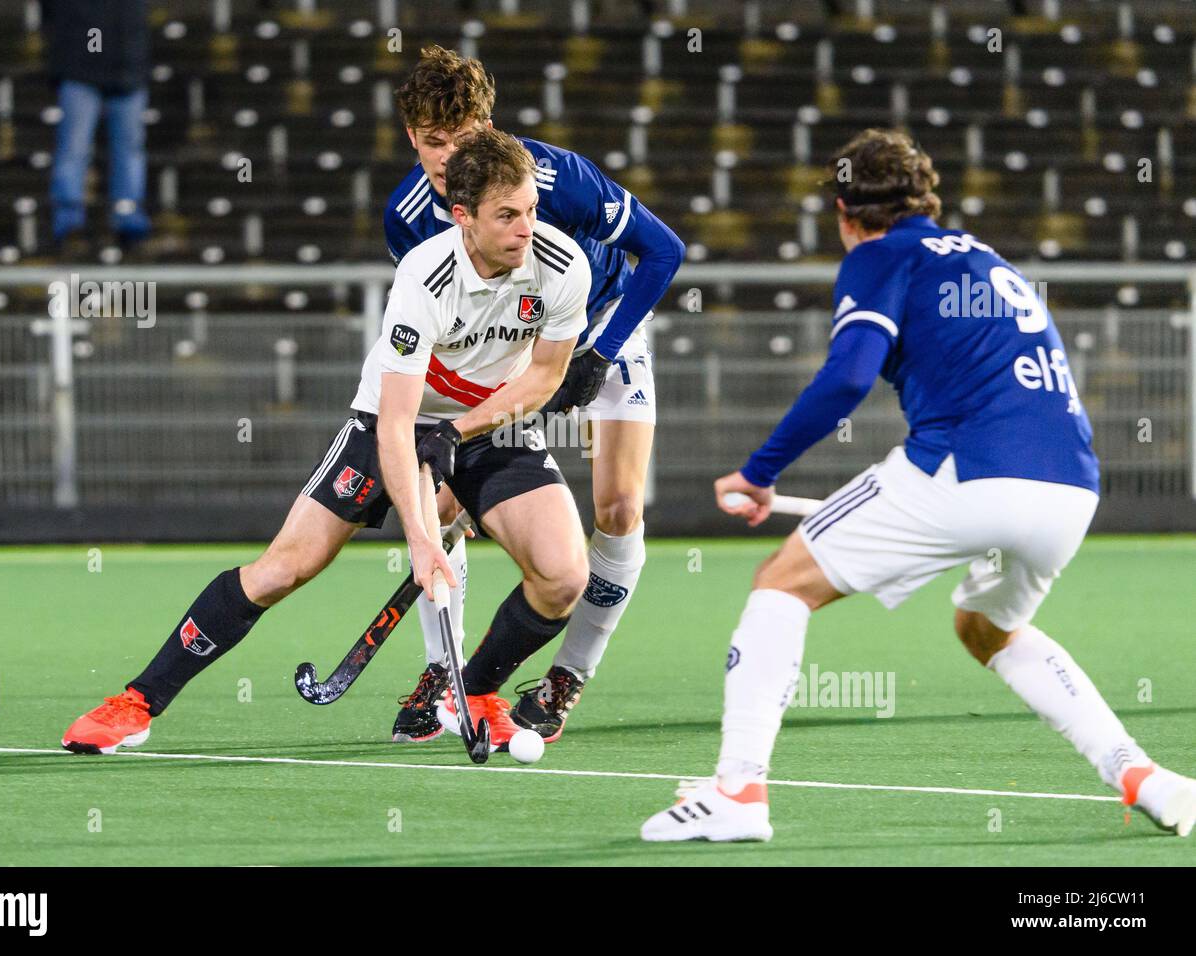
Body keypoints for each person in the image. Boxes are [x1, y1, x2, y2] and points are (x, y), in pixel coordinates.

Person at [641, 129, 1196, 841]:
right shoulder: (986, 258)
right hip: (1072, 486)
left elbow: (846, 376)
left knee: (782, 582)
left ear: (844, 212)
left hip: (965, 466)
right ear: (927, 199)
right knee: (987, 627)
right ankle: (1138, 772)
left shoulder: (880, 255)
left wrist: (759, 471)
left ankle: (738, 791)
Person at [62, 128, 592, 754]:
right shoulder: (426, 276)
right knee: (284, 569)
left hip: (493, 422)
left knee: (562, 575)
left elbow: (544, 377)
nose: (527, 227)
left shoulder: (561, 265)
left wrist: (461, 433)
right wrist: (422, 541)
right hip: (393, 420)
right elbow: (398, 423)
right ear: (463, 217)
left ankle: (470, 692)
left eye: (531, 209)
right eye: (507, 215)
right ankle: (138, 702)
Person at [385, 46, 685, 745]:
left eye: (463, 138)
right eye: (432, 142)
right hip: (509, 344)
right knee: (441, 498)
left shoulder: (556, 177)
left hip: (608, 324)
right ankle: (446, 673)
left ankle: (567, 674)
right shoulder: (406, 216)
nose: (447, 156)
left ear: (488, 124)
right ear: (411, 137)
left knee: (617, 504)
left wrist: (599, 354)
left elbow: (663, 251)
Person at [41, 0, 152, 253]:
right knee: (75, 148)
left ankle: (128, 217)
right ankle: (69, 222)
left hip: (127, 69)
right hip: (81, 68)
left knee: (128, 150)